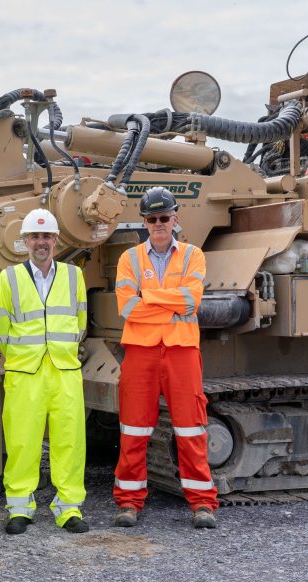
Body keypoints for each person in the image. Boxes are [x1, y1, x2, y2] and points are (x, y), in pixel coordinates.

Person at [113, 187, 219, 529]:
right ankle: (128, 502)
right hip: (141, 354)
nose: (159, 223)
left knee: (191, 429)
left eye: (164, 217)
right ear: (145, 222)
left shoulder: (193, 255)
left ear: (176, 218)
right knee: (132, 430)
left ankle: (203, 504)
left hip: (181, 352)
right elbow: (126, 307)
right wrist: (169, 303)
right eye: (152, 218)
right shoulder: (129, 258)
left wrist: (149, 297)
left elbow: (193, 300)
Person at [0, 209, 89, 536]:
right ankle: (20, 508)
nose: (41, 242)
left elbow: (80, 323)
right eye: (35, 236)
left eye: (46, 236)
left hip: (63, 370)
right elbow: (0, 327)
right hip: (25, 372)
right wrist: (21, 355)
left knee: (70, 441)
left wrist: (60, 350)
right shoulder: (9, 278)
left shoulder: (74, 276)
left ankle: (69, 507)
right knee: (21, 440)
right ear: (25, 241)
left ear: (56, 240)